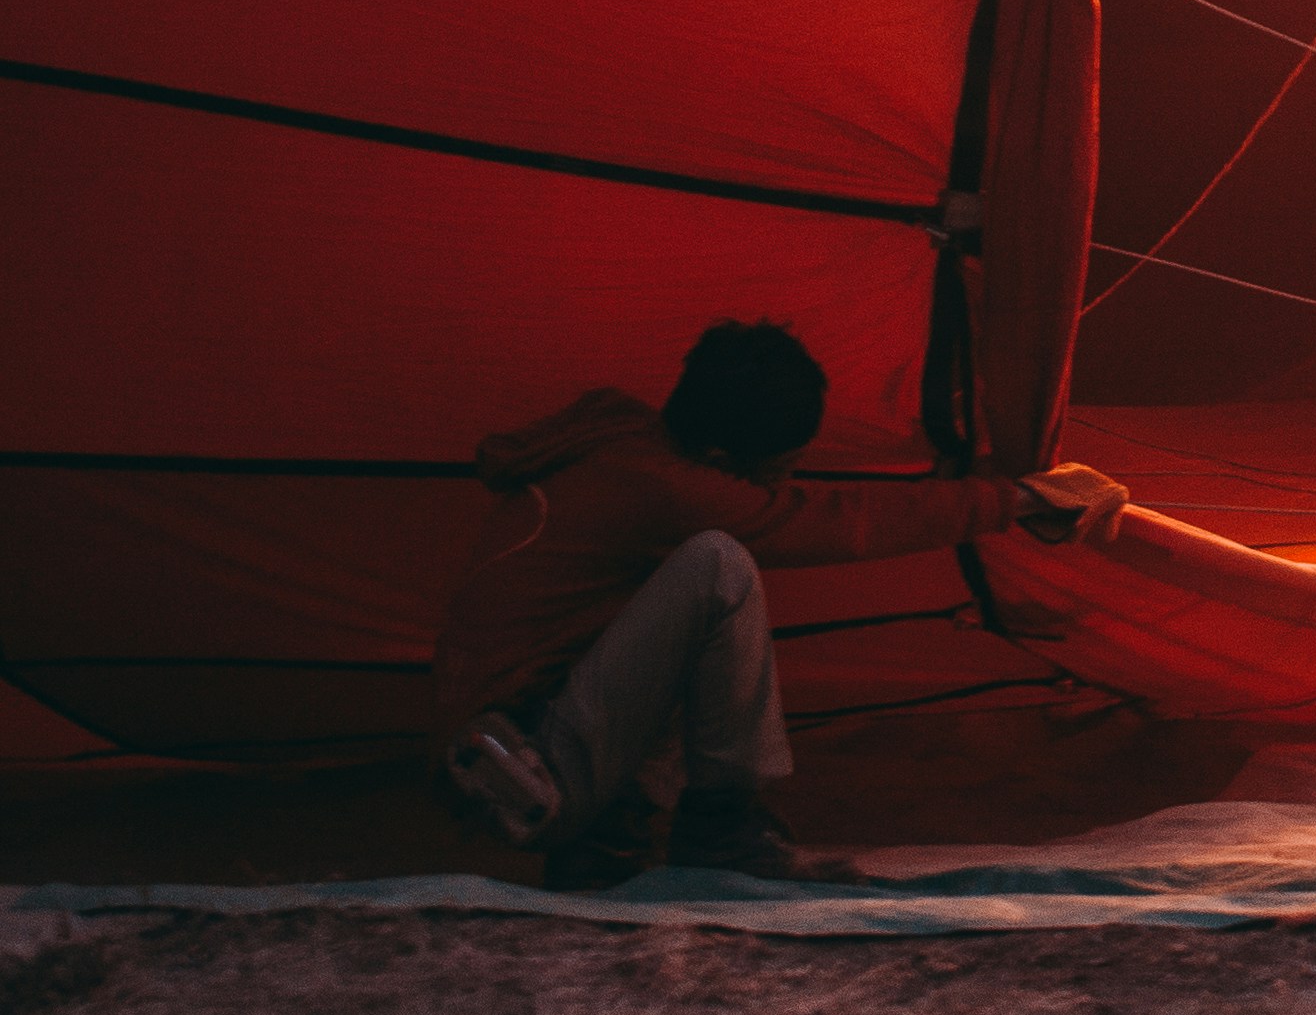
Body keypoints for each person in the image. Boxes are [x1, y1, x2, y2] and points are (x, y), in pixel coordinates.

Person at [433, 318, 1115, 882]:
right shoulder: (661, 487)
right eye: (777, 473)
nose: (778, 489)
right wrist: (1020, 498)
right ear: (720, 458)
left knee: (691, 620)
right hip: (524, 776)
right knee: (718, 565)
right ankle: (721, 827)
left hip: (525, 740)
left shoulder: (625, 450)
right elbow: (839, 520)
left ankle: (606, 845)